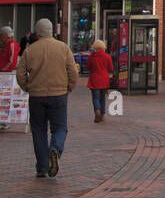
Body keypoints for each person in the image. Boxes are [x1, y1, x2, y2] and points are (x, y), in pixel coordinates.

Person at [16, 19, 79, 178]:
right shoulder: (63, 48)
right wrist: (68, 87)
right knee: (60, 128)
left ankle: (42, 167)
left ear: (37, 33)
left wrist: (27, 87)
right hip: (58, 94)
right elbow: (73, 72)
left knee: (38, 130)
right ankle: (55, 149)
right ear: (51, 31)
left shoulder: (30, 51)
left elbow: (20, 74)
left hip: (36, 95)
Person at [86, 38, 114, 124]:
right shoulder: (107, 56)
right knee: (102, 98)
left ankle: (97, 110)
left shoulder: (91, 57)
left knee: (95, 98)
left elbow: (87, 67)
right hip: (104, 79)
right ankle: (102, 115)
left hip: (94, 79)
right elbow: (111, 68)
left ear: (95, 47)